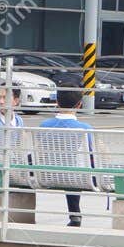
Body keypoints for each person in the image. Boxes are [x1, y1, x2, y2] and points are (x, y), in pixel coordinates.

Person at [38, 87, 94, 227]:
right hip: (74, 178)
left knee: (68, 168)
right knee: (74, 169)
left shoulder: (44, 125)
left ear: (57, 102)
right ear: (79, 104)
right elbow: (94, 153)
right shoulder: (85, 128)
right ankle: (75, 214)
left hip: (47, 174)